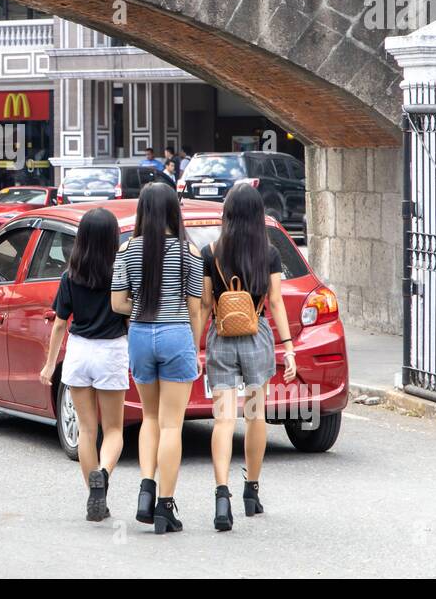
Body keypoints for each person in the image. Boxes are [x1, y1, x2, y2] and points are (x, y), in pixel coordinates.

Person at [200, 183, 297, 531]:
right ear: (258, 215)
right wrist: (288, 347)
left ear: (227, 214)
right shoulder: (268, 254)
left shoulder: (210, 252)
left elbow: (207, 304)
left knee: (223, 420)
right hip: (257, 338)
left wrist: (197, 345)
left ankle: (221, 494)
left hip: (221, 339)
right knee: (255, 417)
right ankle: (251, 492)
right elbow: (275, 302)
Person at [111, 181, 205, 534]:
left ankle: (145, 492)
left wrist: (142, 308)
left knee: (149, 418)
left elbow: (117, 303)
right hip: (176, 334)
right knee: (171, 425)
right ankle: (166, 506)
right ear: (172, 211)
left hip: (139, 336)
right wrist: (194, 349)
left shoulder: (127, 251)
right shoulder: (189, 253)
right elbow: (195, 310)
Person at [38, 207, 128, 521]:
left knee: (87, 431)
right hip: (111, 351)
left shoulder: (70, 276)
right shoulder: (120, 272)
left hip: (78, 352)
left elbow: (60, 324)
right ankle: (103, 473)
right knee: (114, 429)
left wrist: (50, 365)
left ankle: (95, 499)